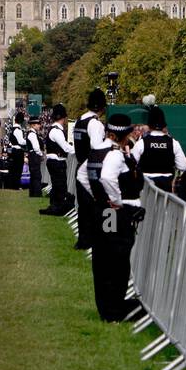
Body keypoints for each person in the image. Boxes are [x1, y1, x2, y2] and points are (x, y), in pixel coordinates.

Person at [89, 113, 144, 322]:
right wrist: (116, 201)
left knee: (105, 256)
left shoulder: (96, 152)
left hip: (104, 210)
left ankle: (108, 305)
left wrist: (100, 198)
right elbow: (107, 178)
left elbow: (84, 176)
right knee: (115, 257)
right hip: (113, 211)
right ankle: (113, 307)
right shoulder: (114, 154)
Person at [73, 89, 109, 250]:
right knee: (95, 205)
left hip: (80, 165)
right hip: (91, 169)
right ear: (102, 107)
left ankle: (83, 239)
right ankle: (94, 239)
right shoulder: (95, 124)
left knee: (83, 206)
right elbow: (97, 148)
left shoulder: (80, 120)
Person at [132, 104, 186, 195]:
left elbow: (131, 164)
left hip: (146, 188)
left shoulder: (141, 143)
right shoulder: (173, 143)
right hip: (166, 189)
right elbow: (183, 166)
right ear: (164, 125)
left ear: (149, 125)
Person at [40, 105, 74, 216]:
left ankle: (54, 207)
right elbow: (65, 147)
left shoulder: (53, 129)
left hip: (53, 161)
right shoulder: (57, 131)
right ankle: (57, 208)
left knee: (57, 185)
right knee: (60, 186)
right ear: (63, 118)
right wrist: (78, 150)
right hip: (57, 161)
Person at [5, 113, 27, 191]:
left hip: (14, 151)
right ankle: (16, 186)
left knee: (14, 169)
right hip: (18, 151)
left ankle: (13, 185)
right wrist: (28, 141)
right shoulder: (18, 130)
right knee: (18, 169)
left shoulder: (13, 129)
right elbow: (21, 141)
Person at [26, 119, 44, 198]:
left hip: (32, 155)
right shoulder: (32, 134)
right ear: (33, 125)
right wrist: (41, 154)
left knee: (34, 175)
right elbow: (36, 147)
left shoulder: (32, 133)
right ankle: (37, 194)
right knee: (37, 176)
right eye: (38, 124)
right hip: (34, 155)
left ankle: (33, 194)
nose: (39, 125)